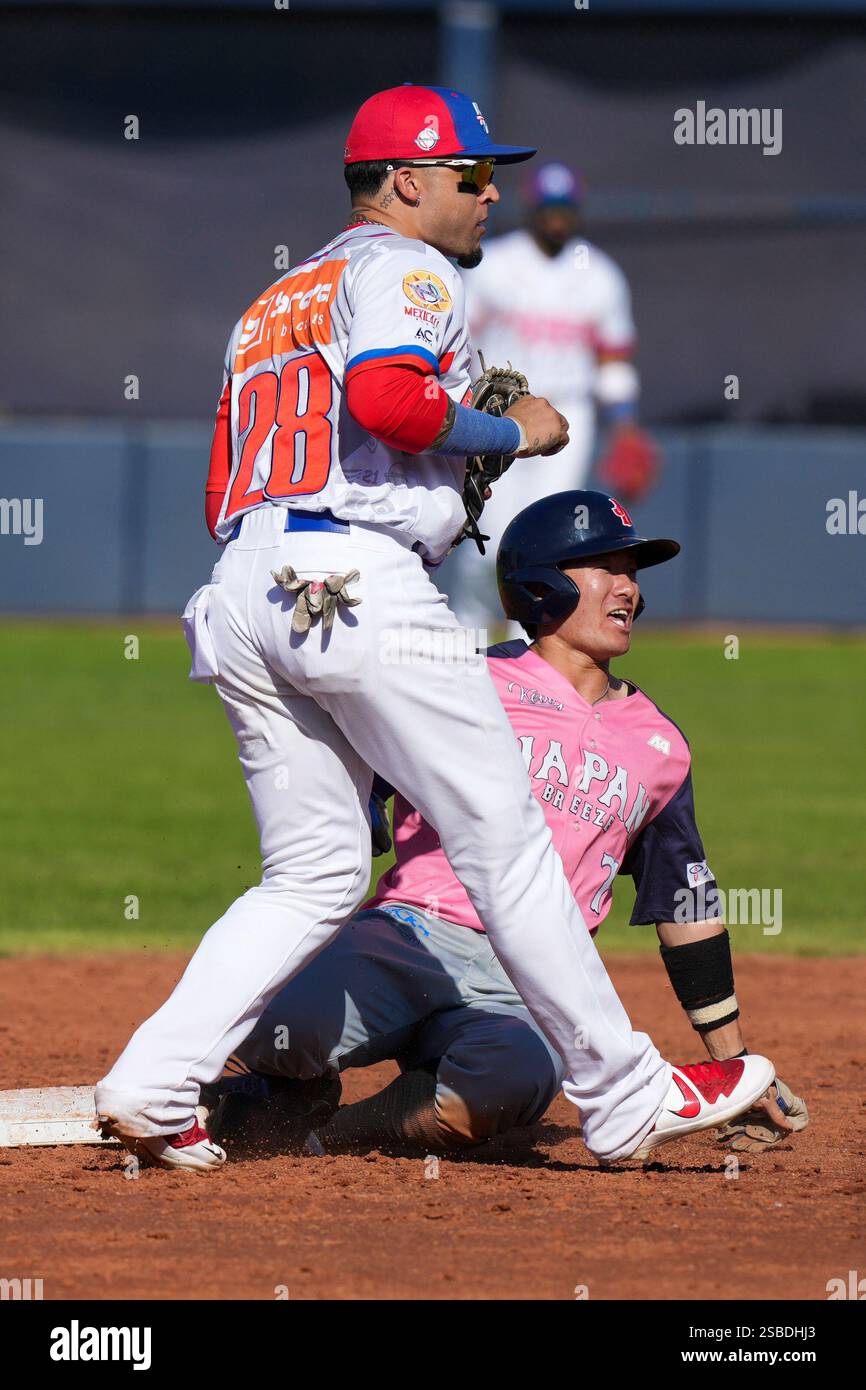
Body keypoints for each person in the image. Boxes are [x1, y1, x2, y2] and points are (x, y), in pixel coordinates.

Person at [94, 85, 772, 1173]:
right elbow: (387, 399)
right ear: (407, 182)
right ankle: (625, 1093)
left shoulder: (274, 300)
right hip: (353, 579)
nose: (487, 192)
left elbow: (244, 466)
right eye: (470, 173)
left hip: (243, 582)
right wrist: (512, 427)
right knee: (501, 833)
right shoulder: (408, 269)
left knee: (311, 870)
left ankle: (151, 1083)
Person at [205, 491, 803, 1160]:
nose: (627, 587)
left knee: (506, 1081)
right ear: (542, 582)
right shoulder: (465, 683)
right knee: (271, 1030)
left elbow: (684, 905)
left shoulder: (660, 746)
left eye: (632, 571)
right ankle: (286, 1092)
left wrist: (735, 1068)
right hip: (409, 936)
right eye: (603, 566)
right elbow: (348, 783)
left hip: (534, 979)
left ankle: (323, 1137)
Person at [441, 161, 658, 633]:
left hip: (566, 419)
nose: (556, 217)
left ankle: (527, 656)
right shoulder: (494, 263)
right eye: (548, 207)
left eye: (565, 208)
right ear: (531, 208)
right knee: (487, 542)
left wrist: (625, 426)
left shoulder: (599, 274)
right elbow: (456, 343)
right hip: (501, 416)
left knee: (547, 548)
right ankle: (467, 643)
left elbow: (613, 360)